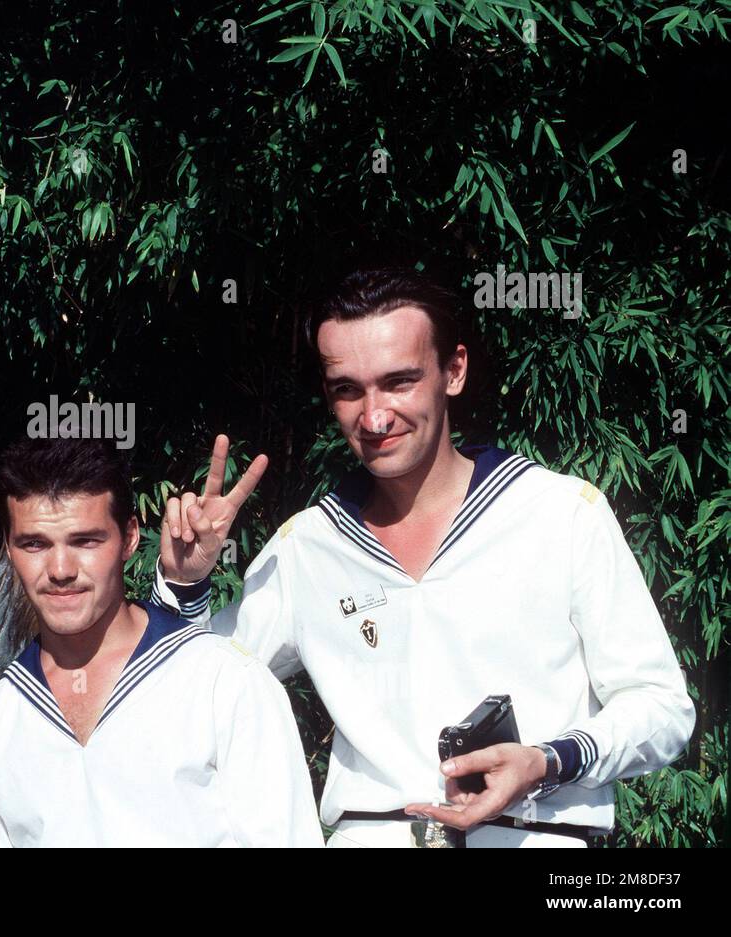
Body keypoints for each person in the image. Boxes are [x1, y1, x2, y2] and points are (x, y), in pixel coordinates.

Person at [152, 267, 696, 847]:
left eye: (399, 381)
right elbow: (194, 706)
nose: (375, 416)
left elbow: (662, 709)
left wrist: (548, 760)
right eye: (348, 389)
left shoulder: (560, 513)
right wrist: (184, 586)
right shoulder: (308, 546)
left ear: (453, 371)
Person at [0, 435, 322, 847]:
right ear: (9, 551)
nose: (60, 569)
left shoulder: (227, 682)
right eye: (35, 544)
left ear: (130, 538)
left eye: (85, 541)